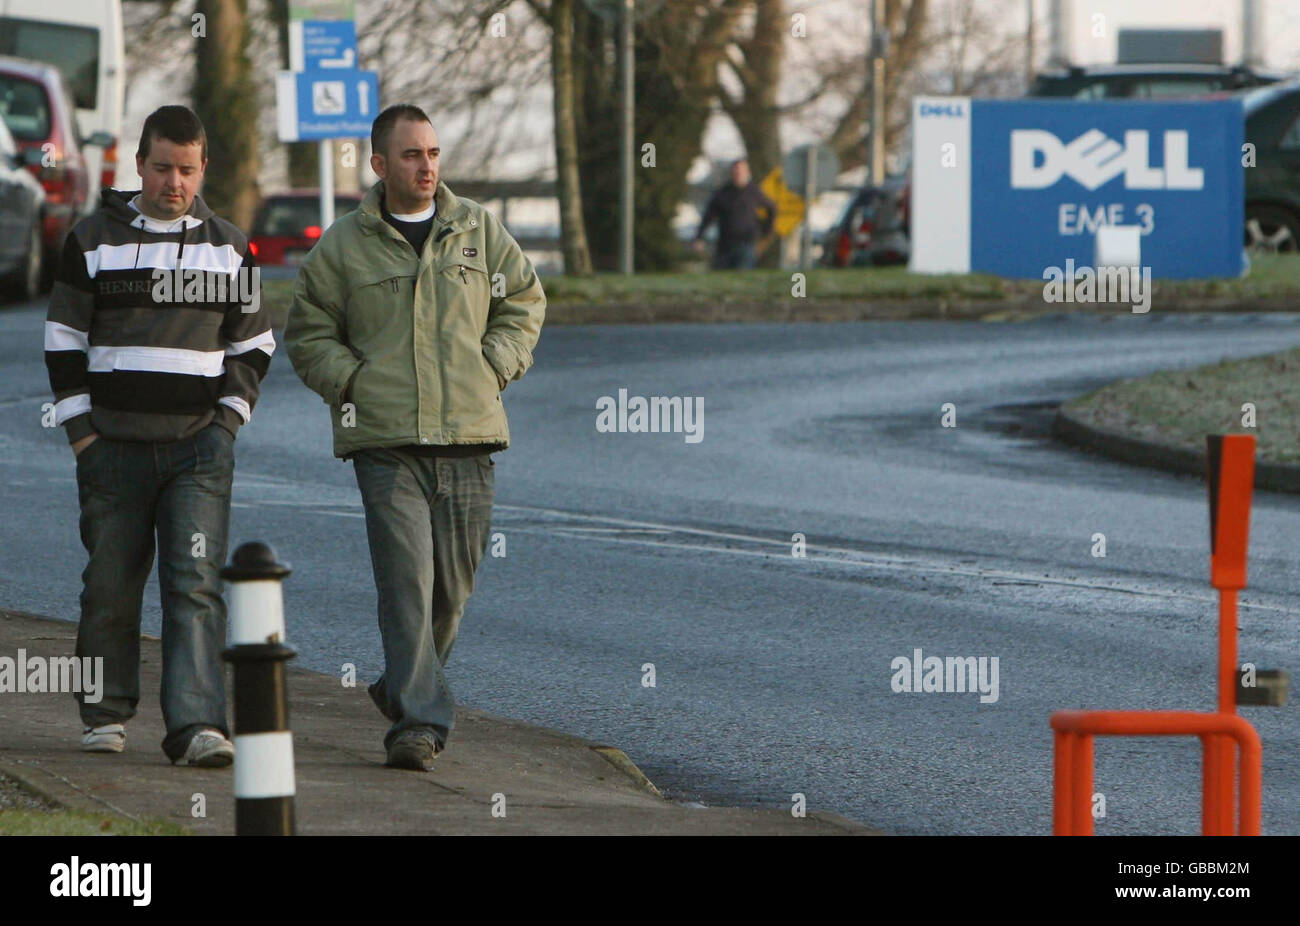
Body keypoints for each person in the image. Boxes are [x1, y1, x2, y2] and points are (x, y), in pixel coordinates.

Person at [284, 104, 546, 771]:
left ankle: (398, 685)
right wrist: (354, 382)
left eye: (432, 153)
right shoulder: (344, 245)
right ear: (378, 164)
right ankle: (418, 725)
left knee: (450, 593)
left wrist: (494, 366)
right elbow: (309, 331)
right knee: (406, 582)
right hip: (386, 443)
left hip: (468, 437)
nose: (426, 166)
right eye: (410, 155)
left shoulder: (477, 231)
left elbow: (523, 301)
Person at [44, 105, 274, 765]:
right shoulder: (91, 241)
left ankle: (198, 726)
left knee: (194, 582)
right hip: (110, 447)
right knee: (110, 582)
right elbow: (63, 342)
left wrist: (228, 423)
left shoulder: (231, 247)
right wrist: (82, 435)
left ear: (204, 169)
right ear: (139, 164)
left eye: (187, 169)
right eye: (163, 167)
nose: (174, 181)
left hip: (199, 448)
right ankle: (104, 713)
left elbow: (254, 344)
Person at [692, 158, 776, 269]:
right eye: (736, 171)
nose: (738, 174)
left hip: (746, 244)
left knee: (743, 277)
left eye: (741, 171)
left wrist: (766, 230)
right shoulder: (723, 193)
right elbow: (709, 216)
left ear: (747, 173)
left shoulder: (754, 192)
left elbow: (771, 208)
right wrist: (699, 237)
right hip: (725, 245)